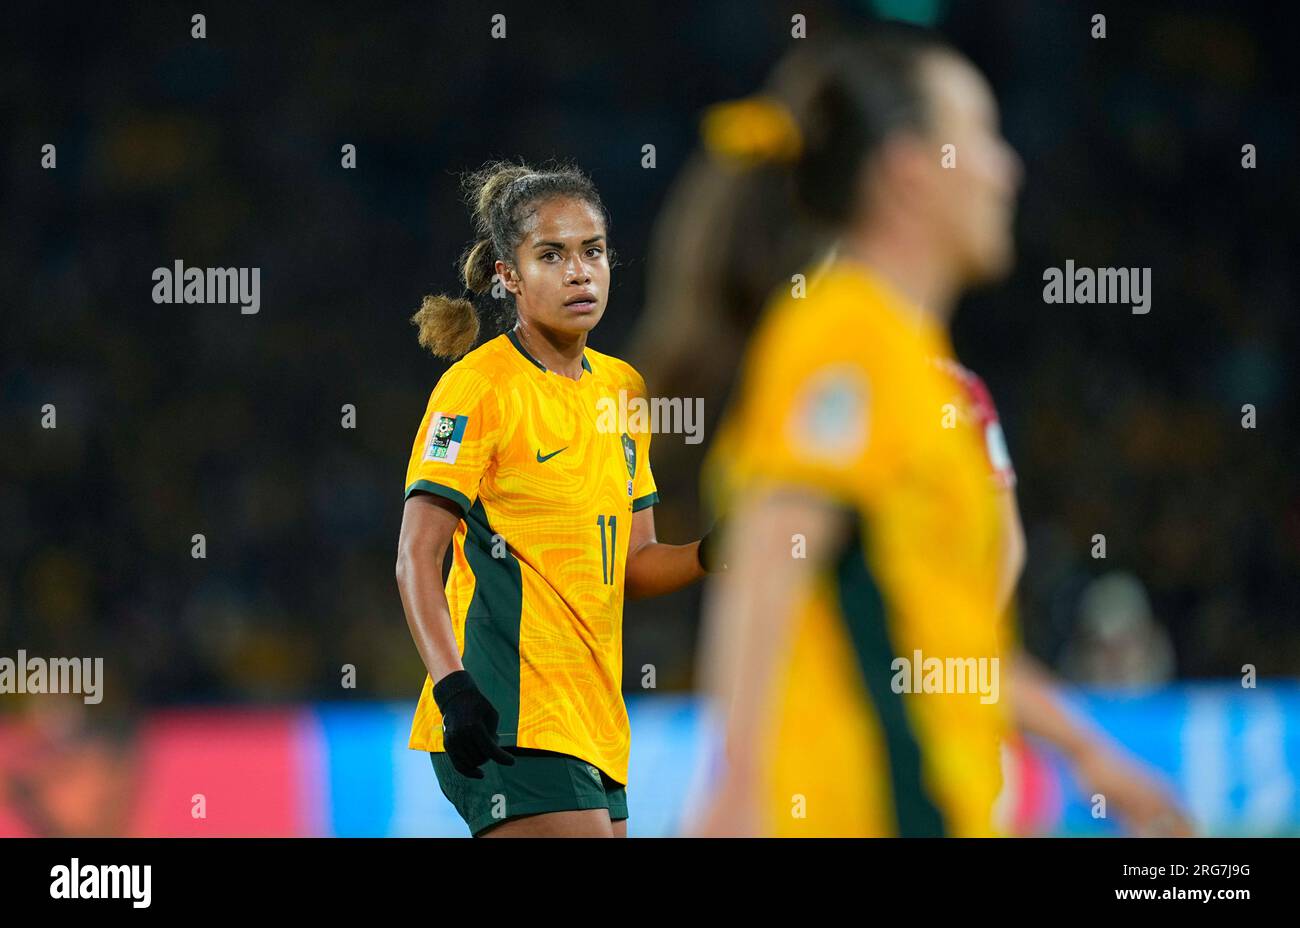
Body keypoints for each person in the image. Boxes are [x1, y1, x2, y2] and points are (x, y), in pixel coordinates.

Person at [394, 161, 722, 838]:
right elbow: (415, 555)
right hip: (500, 711)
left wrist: (720, 552)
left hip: (594, 722)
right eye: (552, 255)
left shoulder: (624, 392)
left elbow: (634, 563)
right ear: (508, 276)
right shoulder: (479, 389)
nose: (580, 273)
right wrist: (453, 689)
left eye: (592, 252)